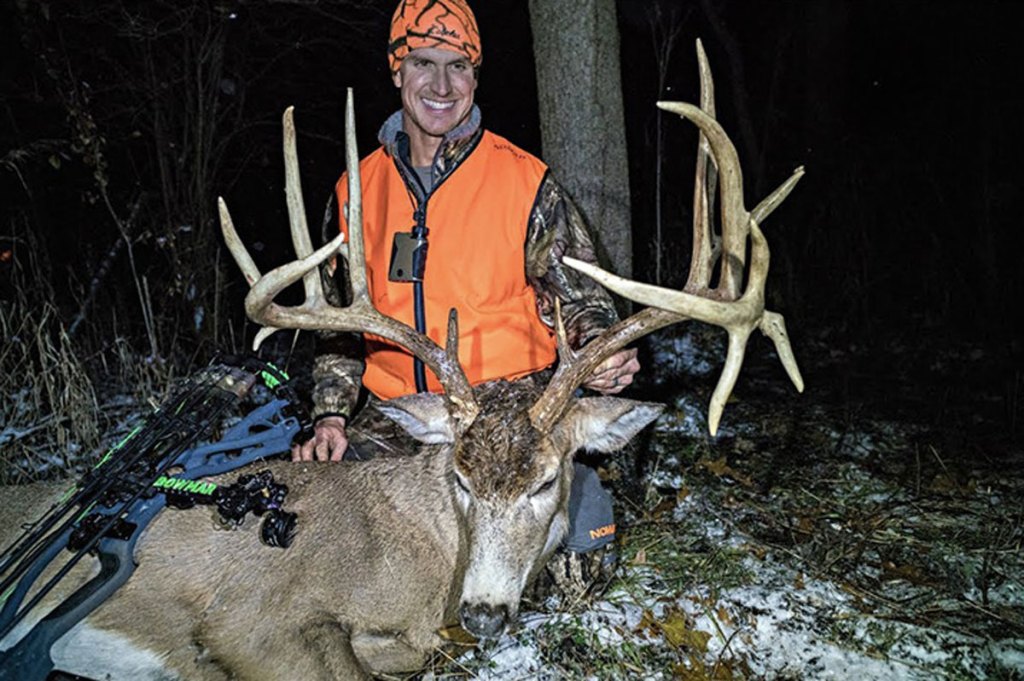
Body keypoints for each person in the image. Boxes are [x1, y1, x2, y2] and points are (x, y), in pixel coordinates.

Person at [294, 0, 640, 598]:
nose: (441, 85)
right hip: (405, 411)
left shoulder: (523, 180)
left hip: (515, 410)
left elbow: (579, 296)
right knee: (326, 541)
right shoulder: (356, 189)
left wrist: (597, 347)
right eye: (424, 63)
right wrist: (330, 414)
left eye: (459, 66)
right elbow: (336, 331)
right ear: (397, 69)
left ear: (475, 77)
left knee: (575, 576)